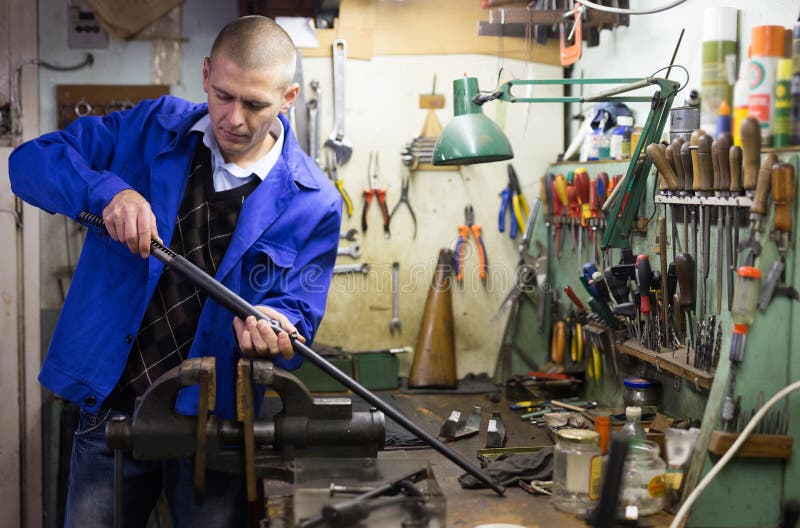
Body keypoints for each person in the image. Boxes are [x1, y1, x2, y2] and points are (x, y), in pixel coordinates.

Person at [9, 16, 341, 527]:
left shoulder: (314, 203)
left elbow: (299, 311)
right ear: (207, 73)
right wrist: (108, 192)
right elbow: (30, 163)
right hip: (112, 410)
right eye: (224, 95)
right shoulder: (149, 128)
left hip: (216, 428)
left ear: (289, 97)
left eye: (254, 104)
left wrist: (275, 328)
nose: (233, 118)